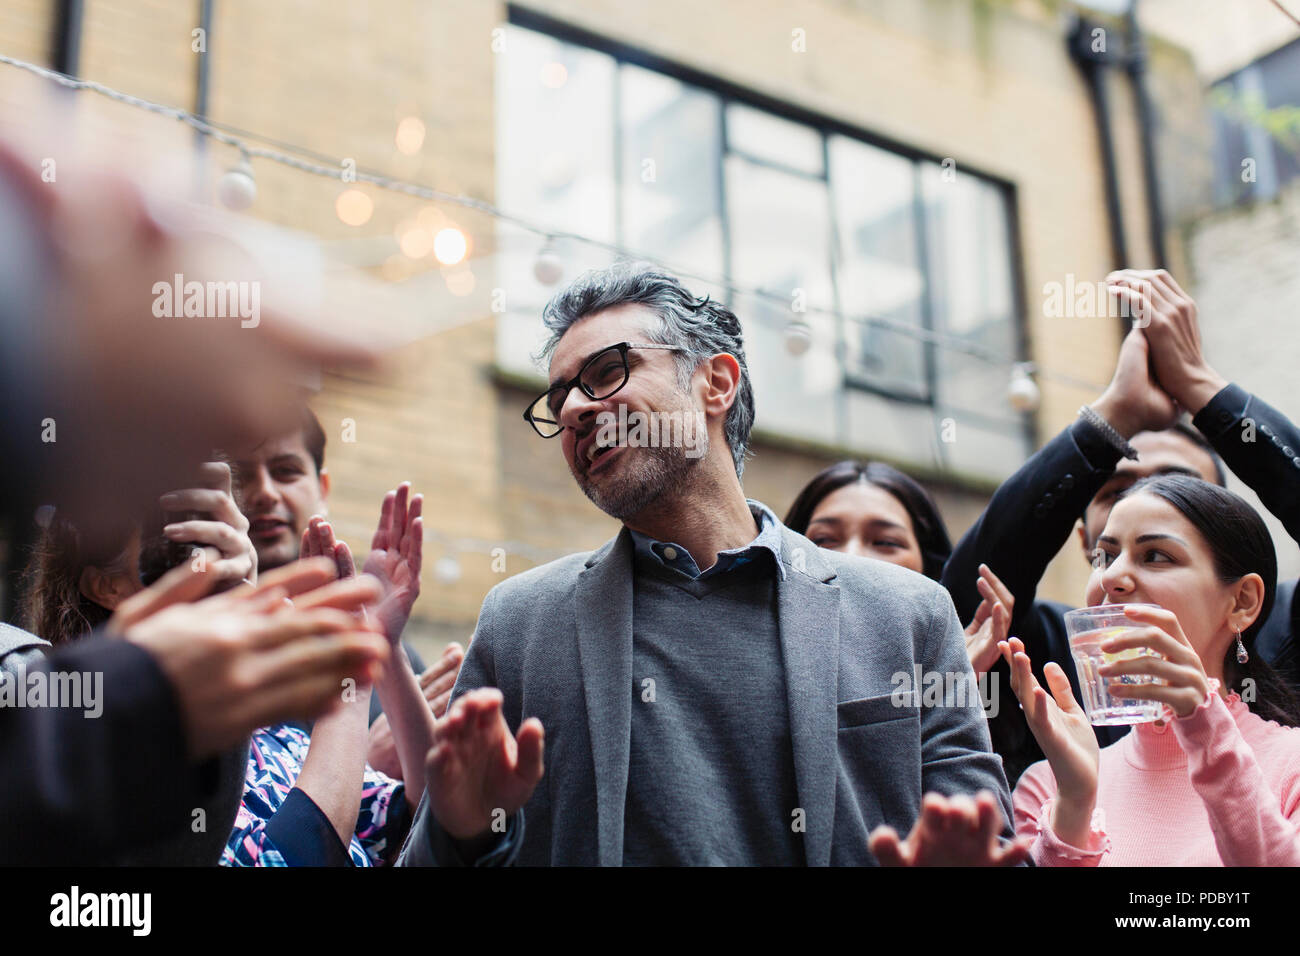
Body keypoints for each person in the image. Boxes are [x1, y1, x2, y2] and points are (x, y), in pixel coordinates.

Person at [398, 263, 1026, 867]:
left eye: (607, 372)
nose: (572, 411)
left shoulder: (907, 613)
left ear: (716, 384)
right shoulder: (520, 624)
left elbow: (992, 841)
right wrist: (462, 833)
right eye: (559, 398)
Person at [0, 138, 389, 864]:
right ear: (104, 581)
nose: (214, 545)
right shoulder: (31, 684)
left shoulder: (249, 719)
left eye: (218, 514)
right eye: (170, 534)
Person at [942, 269, 1300, 783]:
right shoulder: (1046, 657)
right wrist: (1109, 419)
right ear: (1084, 537)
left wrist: (1203, 387)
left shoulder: (1286, 631)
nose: (1145, 502)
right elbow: (961, 606)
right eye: (1116, 496)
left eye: (1179, 492)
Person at [1004, 474, 1300, 865]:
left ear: (1242, 602)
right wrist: (1075, 804)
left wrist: (1206, 727)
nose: (1110, 577)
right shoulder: (1049, 786)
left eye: (1156, 556)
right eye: (1105, 556)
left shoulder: (1291, 764)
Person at [230, 415, 460, 777]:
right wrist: (365, 764)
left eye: (286, 471)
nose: (264, 493)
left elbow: (431, 810)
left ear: (323, 489)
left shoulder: (382, 645)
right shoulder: (210, 650)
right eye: (240, 477)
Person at [222, 483, 438, 866]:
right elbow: (293, 858)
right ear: (108, 585)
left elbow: (426, 815)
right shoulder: (127, 753)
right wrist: (352, 679)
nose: (235, 531)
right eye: (205, 518)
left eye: (231, 519)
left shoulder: (278, 738)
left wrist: (383, 645)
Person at [785, 460, 1015, 679]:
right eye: (823, 539)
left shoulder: (990, 692)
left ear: (929, 571)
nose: (851, 556)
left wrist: (951, 687)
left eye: (886, 542)